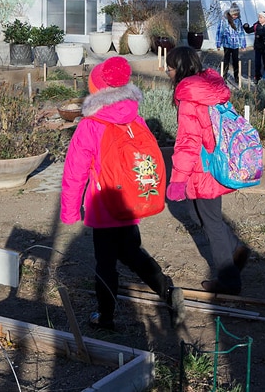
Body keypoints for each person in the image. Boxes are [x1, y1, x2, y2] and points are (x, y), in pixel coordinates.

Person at [60, 56, 184, 330]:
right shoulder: (134, 118)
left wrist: (70, 211)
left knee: (105, 263)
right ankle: (167, 291)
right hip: (130, 201)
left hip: (104, 206)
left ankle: (105, 317)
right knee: (131, 252)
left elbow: (74, 173)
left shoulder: (90, 125)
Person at [166, 46, 250, 295]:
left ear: (179, 69)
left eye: (170, 68)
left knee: (211, 223)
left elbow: (188, 142)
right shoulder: (208, 86)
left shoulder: (190, 97)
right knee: (197, 215)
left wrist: (177, 180)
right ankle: (236, 249)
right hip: (215, 160)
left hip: (203, 167)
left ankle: (229, 281)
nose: (167, 72)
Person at [215, 3, 248, 84]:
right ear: (230, 13)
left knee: (235, 61)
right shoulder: (224, 20)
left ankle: (236, 77)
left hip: (235, 44)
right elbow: (220, 32)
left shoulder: (238, 21)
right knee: (226, 60)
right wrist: (218, 44)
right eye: (234, 14)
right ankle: (224, 77)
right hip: (227, 44)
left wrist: (243, 44)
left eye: (237, 14)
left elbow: (241, 32)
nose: (235, 16)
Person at [242, 11, 265, 81]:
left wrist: (262, 36)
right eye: (259, 17)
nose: (259, 19)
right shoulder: (256, 25)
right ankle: (257, 76)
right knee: (257, 63)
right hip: (258, 47)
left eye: (261, 17)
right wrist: (246, 27)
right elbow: (249, 31)